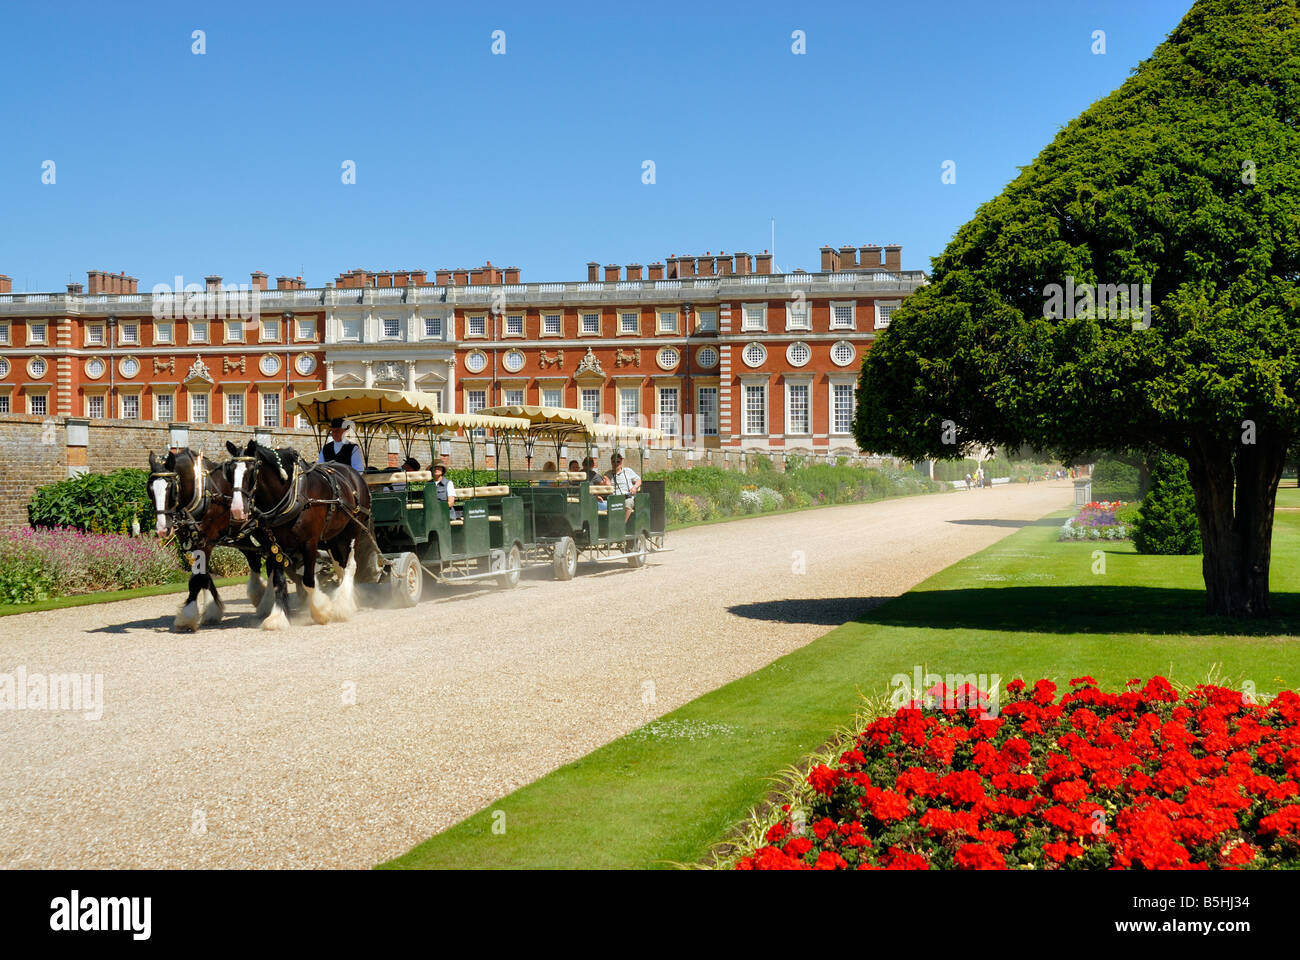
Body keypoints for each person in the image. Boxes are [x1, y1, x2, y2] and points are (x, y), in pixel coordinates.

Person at [606, 451, 641, 519]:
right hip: (614, 498)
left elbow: (639, 480)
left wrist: (634, 487)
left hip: (627, 497)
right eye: (614, 462)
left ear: (621, 462)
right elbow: (607, 484)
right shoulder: (608, 474)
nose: (616, 464)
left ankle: (622, 525)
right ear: (611, 463)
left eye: (618, 462)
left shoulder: (628, 471)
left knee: (628, 503)